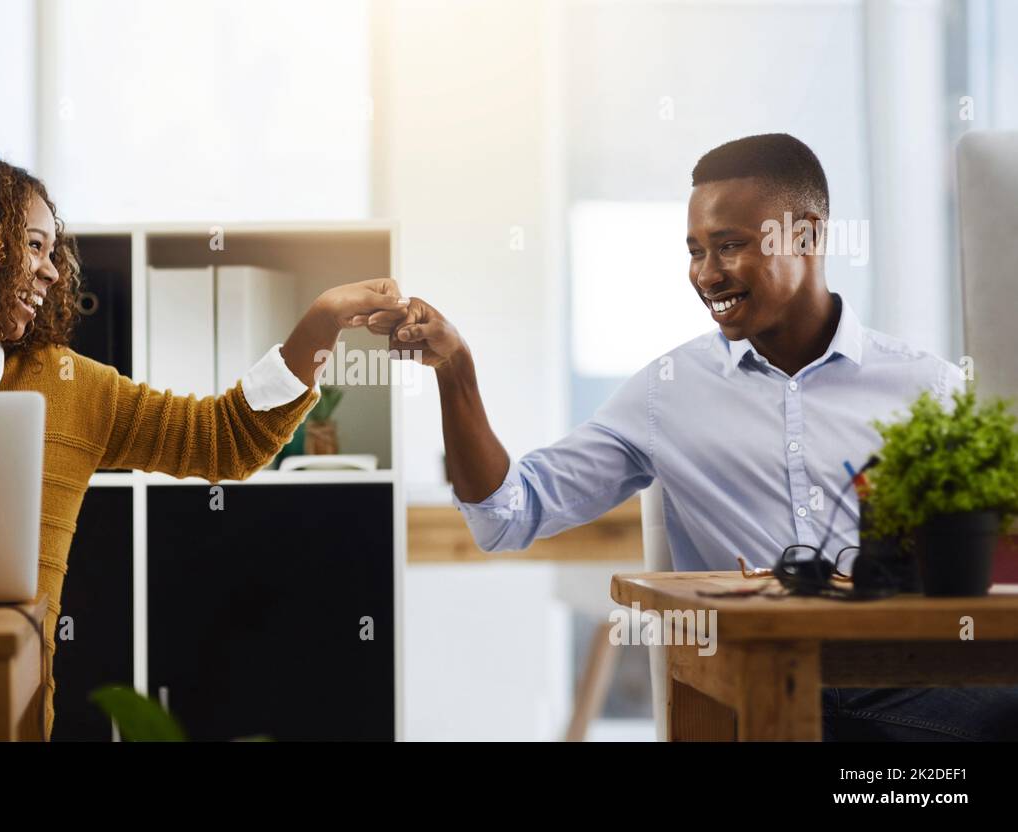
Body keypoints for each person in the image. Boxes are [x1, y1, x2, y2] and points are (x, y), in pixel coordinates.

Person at [382, 133, 1018, 741]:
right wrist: (455, 372)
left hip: (908, 681)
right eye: (695, 250)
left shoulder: (927, 387)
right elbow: (506, 514)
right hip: (758, 686)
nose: (707, 275)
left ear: (808, 235)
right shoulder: (668, 390)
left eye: (729, 245)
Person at [0, 146, 408, 739]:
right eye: (31, 246)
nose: (49, 271)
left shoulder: (70, 385)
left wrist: (321, 324)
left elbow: (225, 440)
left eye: (51, 250)